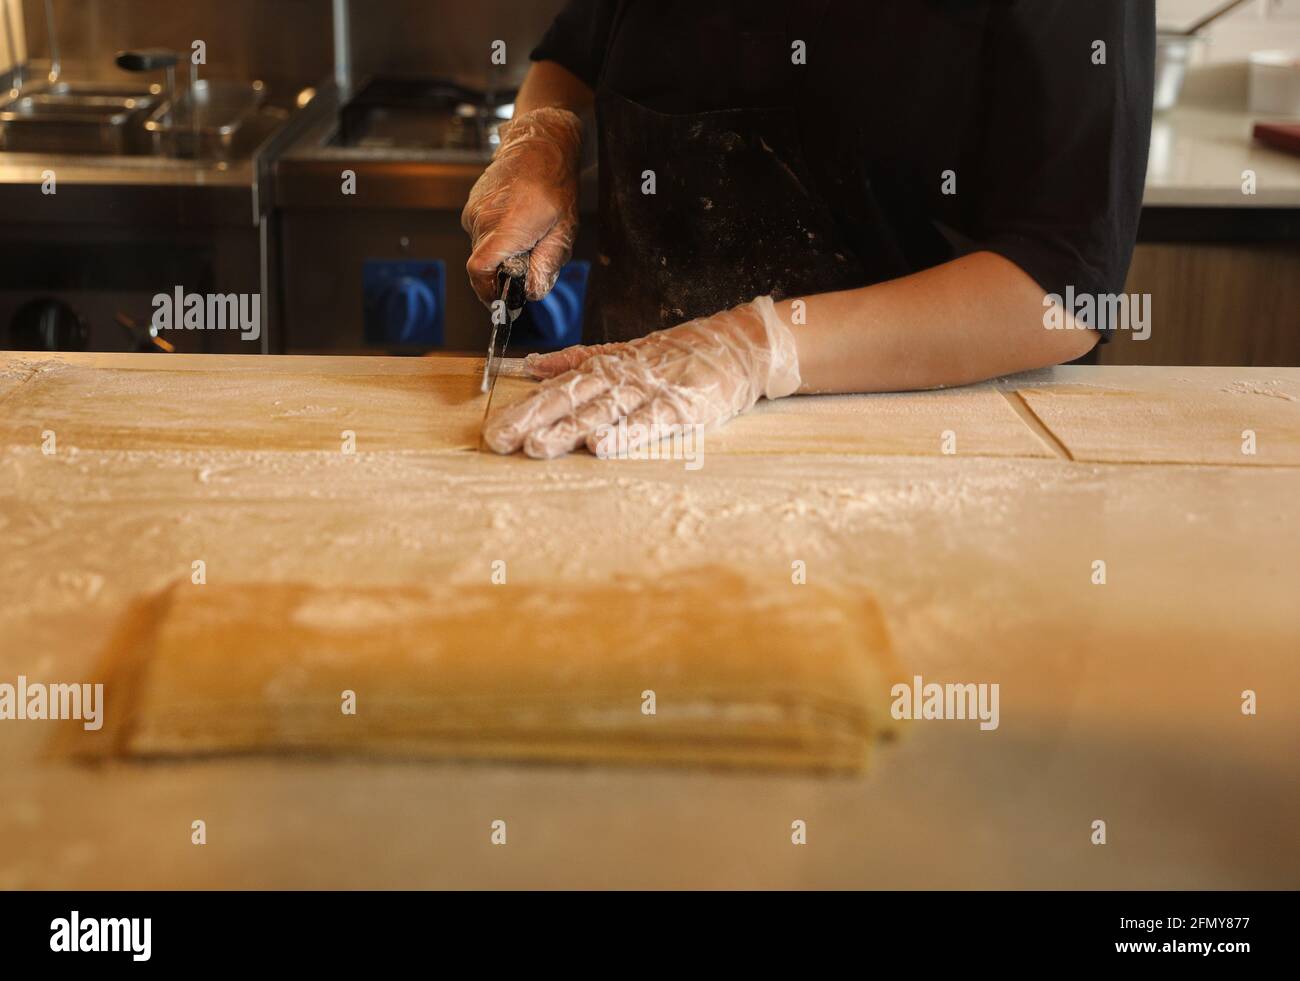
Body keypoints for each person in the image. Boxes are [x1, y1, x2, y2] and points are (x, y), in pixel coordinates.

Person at [462, 1, 1155, 459]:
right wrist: (541, 138)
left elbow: (1062, 283)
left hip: (915, 455)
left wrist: (752, 347)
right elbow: (578, 49)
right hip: (631, 415)